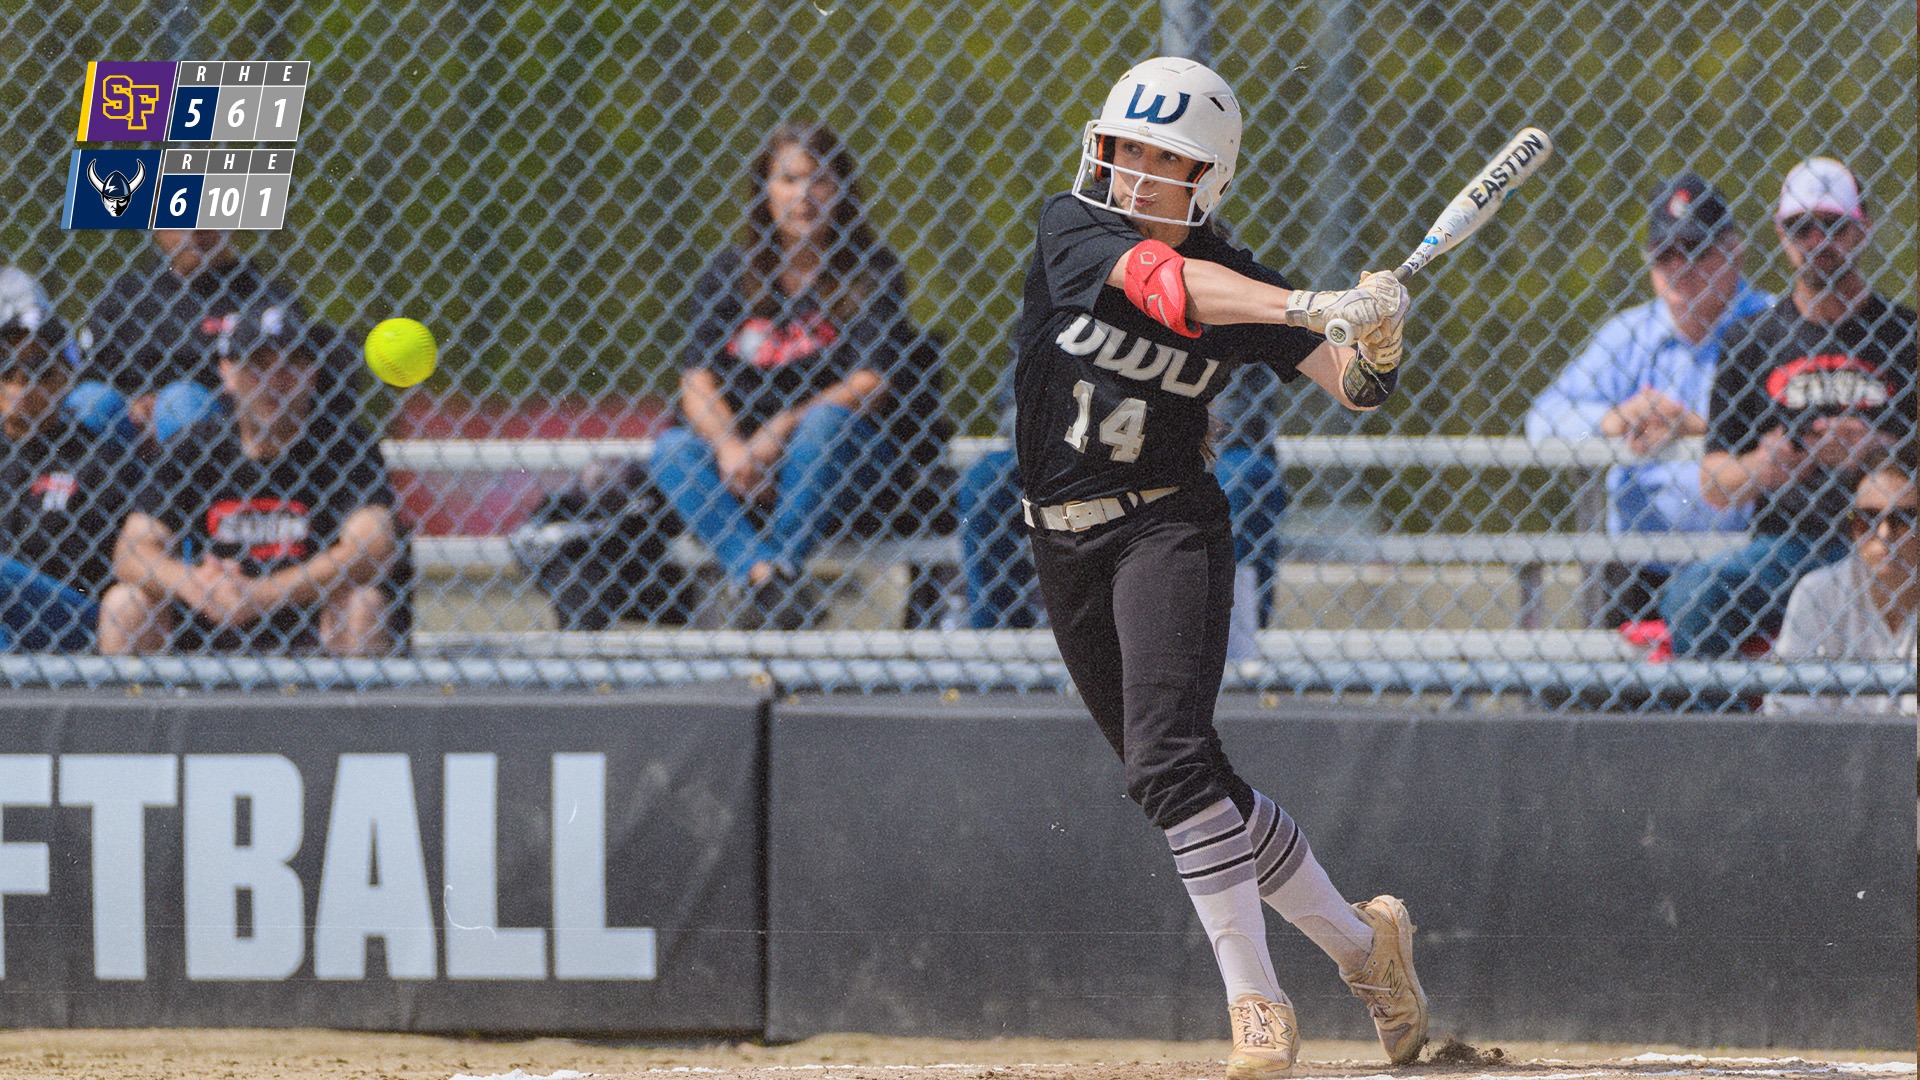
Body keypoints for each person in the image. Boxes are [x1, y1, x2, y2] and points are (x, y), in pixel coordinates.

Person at [1011, 57, 1425, 1075]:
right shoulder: (1074, 227)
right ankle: (1365, 949)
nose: (1138, 175)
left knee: (1166, 762)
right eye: (1129, 151)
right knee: (1185, 783)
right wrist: (1308, 304)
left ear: (1210, 178)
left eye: (1168, 161)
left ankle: (1257, 1006)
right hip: (1060, 535)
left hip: (1168, 528)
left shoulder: (1250, 280)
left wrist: (1373, 336)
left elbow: (1356, 390)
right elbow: (1167, 288)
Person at [651, 121, 912, 631]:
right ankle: (765, 577)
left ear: (841, 192)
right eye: (788, 180)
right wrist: (730, 445)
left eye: (819, 181)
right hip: (742, 462)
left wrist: (781, 431)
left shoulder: (871, 271)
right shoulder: (731, 270)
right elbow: (696, 380)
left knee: (824, 426)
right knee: (672, 451)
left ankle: (774, 569)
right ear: (765, 190)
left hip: (837, 459)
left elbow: (871, 382)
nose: (804, 195)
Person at [1660, 157, 1916, 657]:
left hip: (1898, 537)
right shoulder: (1751, 339)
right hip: (1793, 542)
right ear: (1781, 234)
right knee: (1692, 597)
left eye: (1833, 226)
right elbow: (1714, 481)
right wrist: (1769, 466)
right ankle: (1732, 732)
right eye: (1802, 228)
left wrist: (1879, 450)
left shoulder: (1906, 335)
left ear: (1862, 231)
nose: (1817, 242)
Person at [1524, 173, 1768, 626]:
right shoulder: (1628, 334)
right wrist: (1612, 420)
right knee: (1609, 690)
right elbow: (1542, 420)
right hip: (1641, 568)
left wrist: (1696, 424)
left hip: (1748, 561)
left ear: (1734, 252)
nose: (1679, 267)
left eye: (1695, 249)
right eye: (1663, 254)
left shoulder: (1773, 324)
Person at [98, 305, 404, 657]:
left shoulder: (343, 446)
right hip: (212, 622)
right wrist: (196, 585)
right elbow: (131, 551)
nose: (274, 380)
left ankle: (350, 712)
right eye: (257, 365)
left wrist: (263, 593)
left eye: (291, 365)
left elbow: (374, 548)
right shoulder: (197, 446)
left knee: (363, 604)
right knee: (125, 602)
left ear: (313, 374)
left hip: (310, 628)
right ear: (227, 372)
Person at [960, 358, 1289, 658]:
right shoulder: (1065, 295)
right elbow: (1023, 402)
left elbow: (1239, 413)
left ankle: (1225, 652)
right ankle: (1002, 652)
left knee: (1246, 477)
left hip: (1189, 451)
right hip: (1077, 449)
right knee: (987, 480)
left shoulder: (1222, 301)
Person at [0, 285, 141, 651]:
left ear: (66, 377)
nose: (20, 382)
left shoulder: (99, 460)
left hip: (70, 611)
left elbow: (97, 571)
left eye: (38, 368)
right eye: (6, 366)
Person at [79, 228, 299, 441]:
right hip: (129, 432)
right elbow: (90, 375)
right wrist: (134, 404)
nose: (195, 231)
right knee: (89, 400)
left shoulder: (264, 300)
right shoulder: (126, 295)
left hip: (217, 428)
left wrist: (170, 404)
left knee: (180, 402)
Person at [1765, 460, 1917, 716]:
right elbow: (1790, 711)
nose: (1884, 534)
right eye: (1866, 519)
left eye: (1902, 519)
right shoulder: (1818, 593)